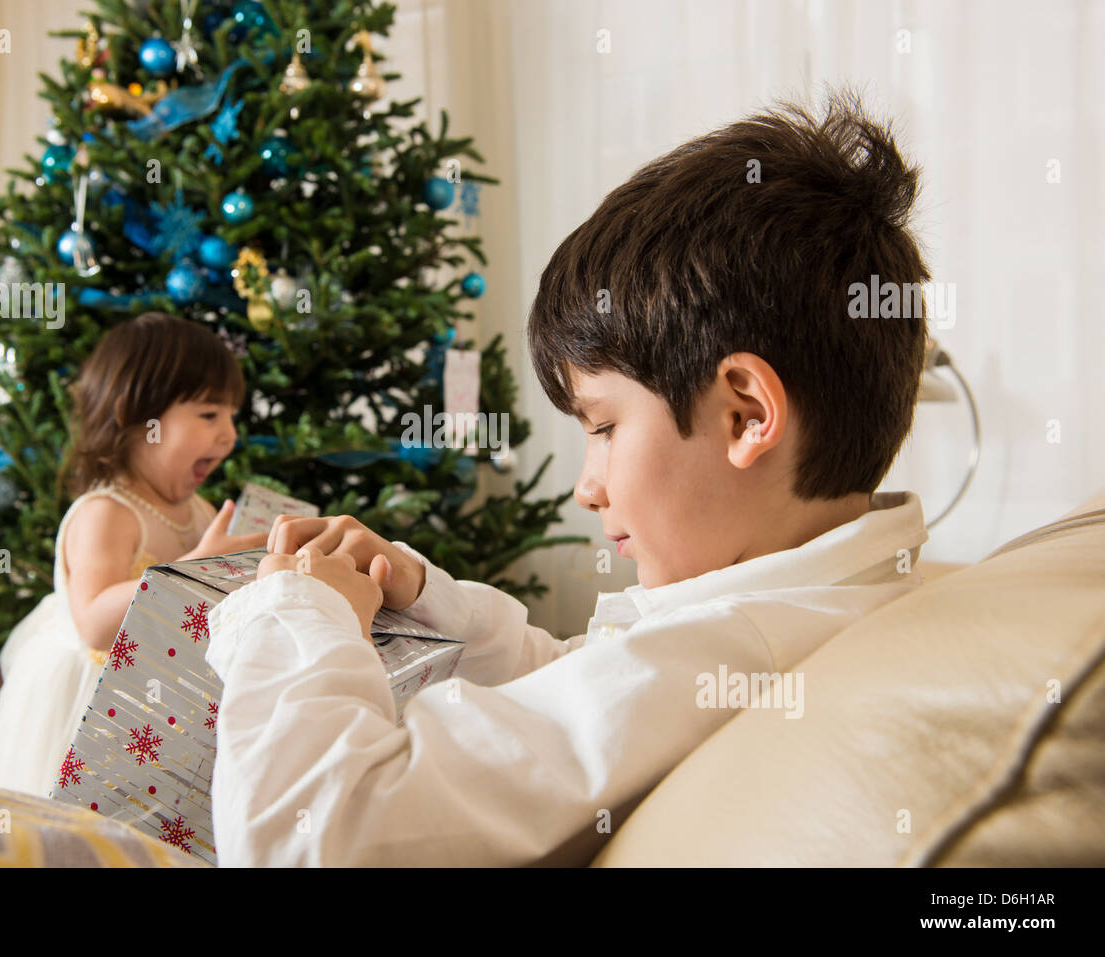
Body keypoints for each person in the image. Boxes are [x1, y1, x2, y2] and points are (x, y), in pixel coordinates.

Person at [203, 92, 933, 865]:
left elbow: (302, 837)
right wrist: (423, 595)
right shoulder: (795, 608)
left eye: (606, 427)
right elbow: (588, 687)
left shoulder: (722, 653)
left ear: (746, 415)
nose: (588, 488)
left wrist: (296, 615)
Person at [0, 312, 265, 797]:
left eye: (232, 416)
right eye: (210, 415)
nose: (229, 434)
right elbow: (92, 619)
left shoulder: (196, 507)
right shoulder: (108, 512)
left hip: (161, 690)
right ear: (138, 416)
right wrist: (191, 571)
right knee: (83, 821)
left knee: (163, 805)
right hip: (94, 700)